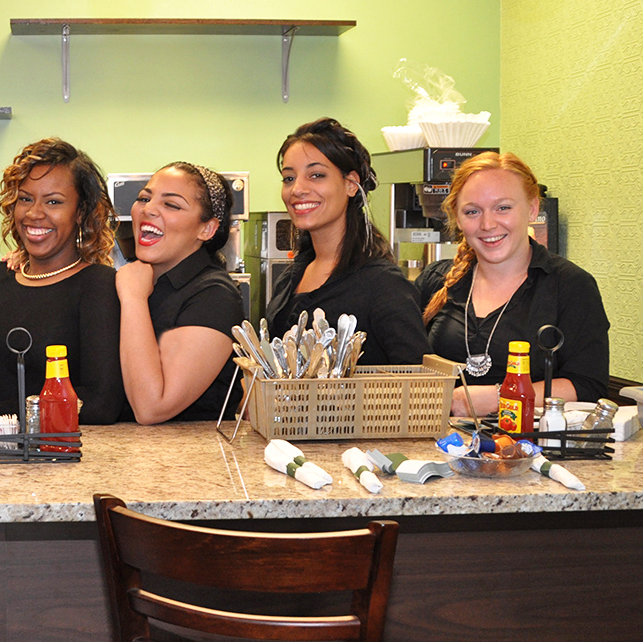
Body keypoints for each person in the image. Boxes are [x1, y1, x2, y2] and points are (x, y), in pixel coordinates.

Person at [414, 151, 610, 417]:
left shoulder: (571, 286)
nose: (487, 224)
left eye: (503, 208)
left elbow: (587, 385)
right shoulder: (435, 280)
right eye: (472, 212)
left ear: (532, 208)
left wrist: (501, 397)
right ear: (458, 219)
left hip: (529, 441)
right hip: (439, 438)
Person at [0, 138, 124, 424]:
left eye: (54, 202)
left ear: (80, 212)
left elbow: (100, 400)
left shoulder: (98, 286)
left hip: (48, 448)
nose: (34, 213)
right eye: (25, 198)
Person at [266, 117, 431, 364]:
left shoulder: (384, 286)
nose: (297, 189)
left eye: (316, 175)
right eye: (289, 178)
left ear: (352, 184)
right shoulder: (291, 277)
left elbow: (419, 379)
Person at [115, 162, 244, 423]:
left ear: (207, 229)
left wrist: (133, 300)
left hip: (191, 449)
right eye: (144, 198)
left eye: (172, 205)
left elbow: (153, 407)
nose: (148, 209)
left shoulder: (215, 297)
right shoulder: (139, 281)